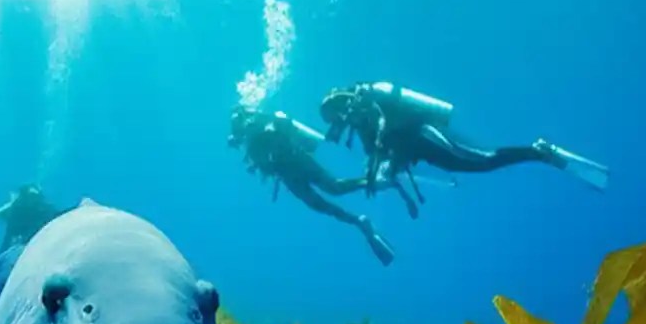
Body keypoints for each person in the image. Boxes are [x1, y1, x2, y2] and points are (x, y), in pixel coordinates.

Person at [318, 81, 609, 216]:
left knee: (481, 157)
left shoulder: (368, 99)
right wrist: (385, 177)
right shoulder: (361, 127)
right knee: (481, 166)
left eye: (337, 113)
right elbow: (380, 152)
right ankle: (537, 153)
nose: (340, 120)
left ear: (342, 101)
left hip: (427, 134)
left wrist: (377, 164)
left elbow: (384, 125)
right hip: (422, 152)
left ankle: (539, 151)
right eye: (334, 119)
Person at [230, 106, 398, 266]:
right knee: (333, 189)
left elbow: (267, 167)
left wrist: (257, 164)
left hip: (291, 174)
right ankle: (373, 187)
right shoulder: (261, 128)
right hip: (298, 162)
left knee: (324, 204)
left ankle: (359, 218)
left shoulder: (253, 139)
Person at [0, 184, 70, 252]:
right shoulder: (18, 213)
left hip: (39, 236)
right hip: (40, 236)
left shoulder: (17, 212)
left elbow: (8, 239)